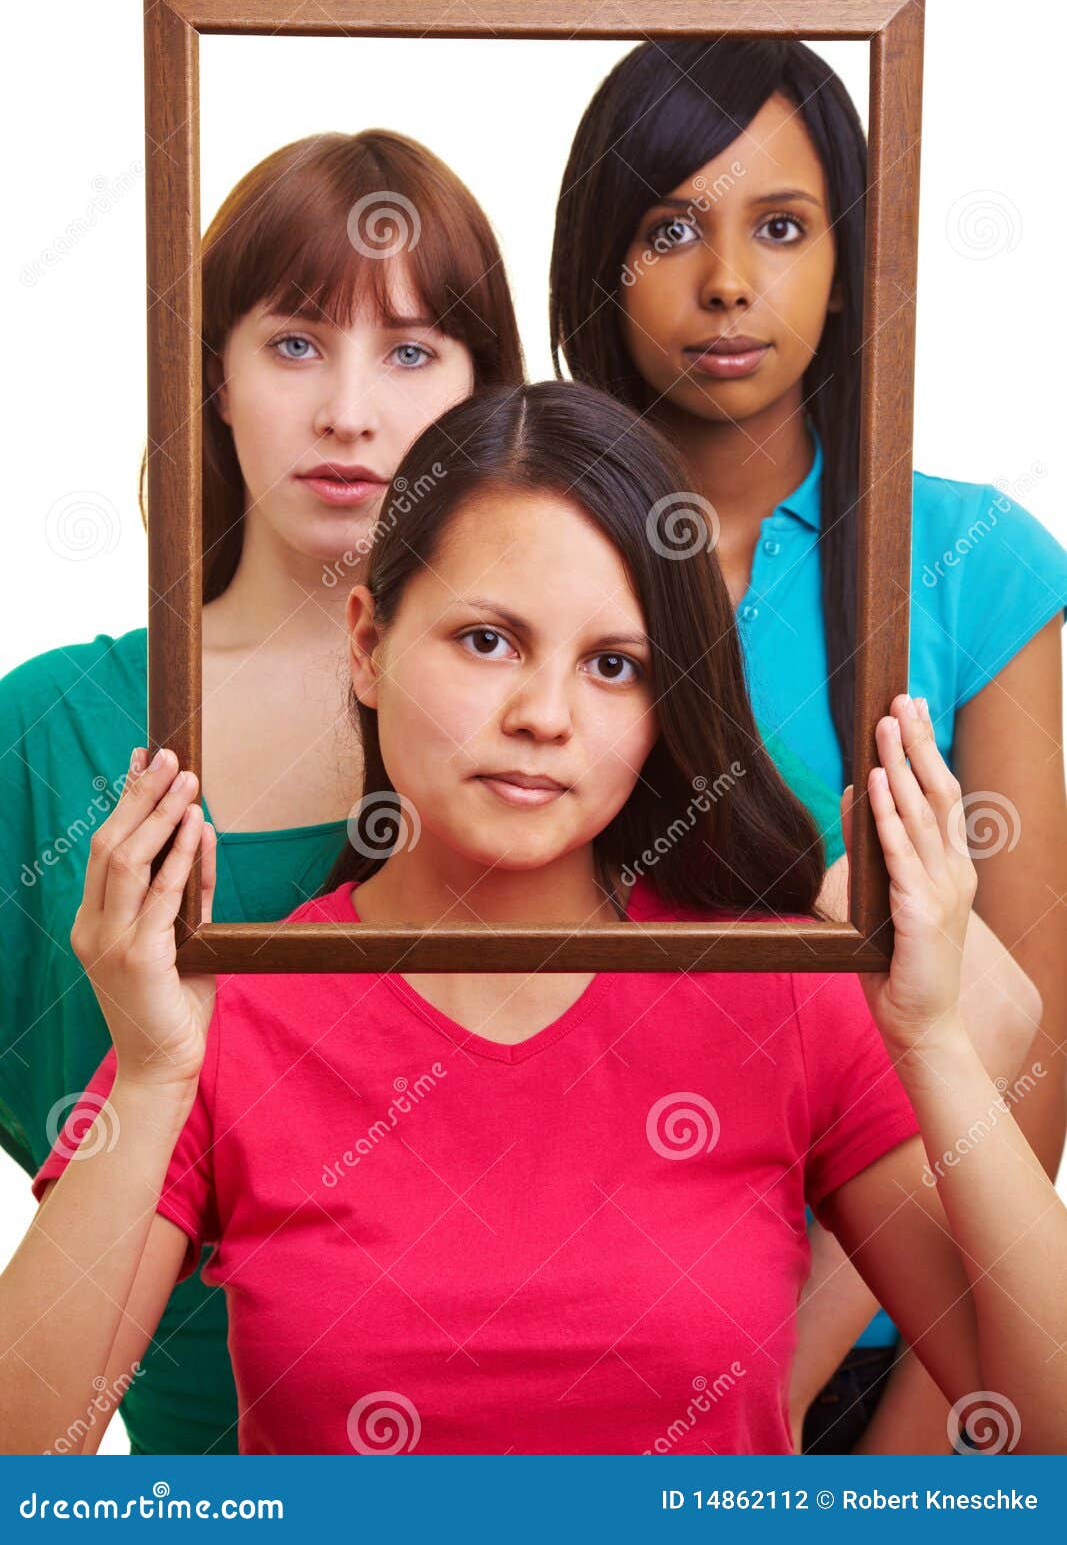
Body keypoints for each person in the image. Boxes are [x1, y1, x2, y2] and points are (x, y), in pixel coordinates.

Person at [4, 383, 1065, 1456]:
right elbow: (23, 1464)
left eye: (613, 666)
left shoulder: (777, 991)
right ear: (367, 642)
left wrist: (929, 1038)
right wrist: (148, 1079)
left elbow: (1037, 1421)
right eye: (487, 641)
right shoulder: (230, 1015)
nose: (544, 717)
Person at [549, 41, 1067, 1450]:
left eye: (779, 227)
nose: (727, 280)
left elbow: (1024, 1045)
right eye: (668, 228)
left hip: (895, 1340)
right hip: (582, 1326)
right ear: (598, 260)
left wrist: (919, 1420)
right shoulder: (525, 559)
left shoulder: (974, 561)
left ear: (848, 257)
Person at [0, 126, 525, 1454]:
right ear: (213, 378)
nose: (347, 410)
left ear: (483, 396)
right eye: (295, 342)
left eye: (409, 351)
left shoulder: (556, 722)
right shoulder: (49, 729)